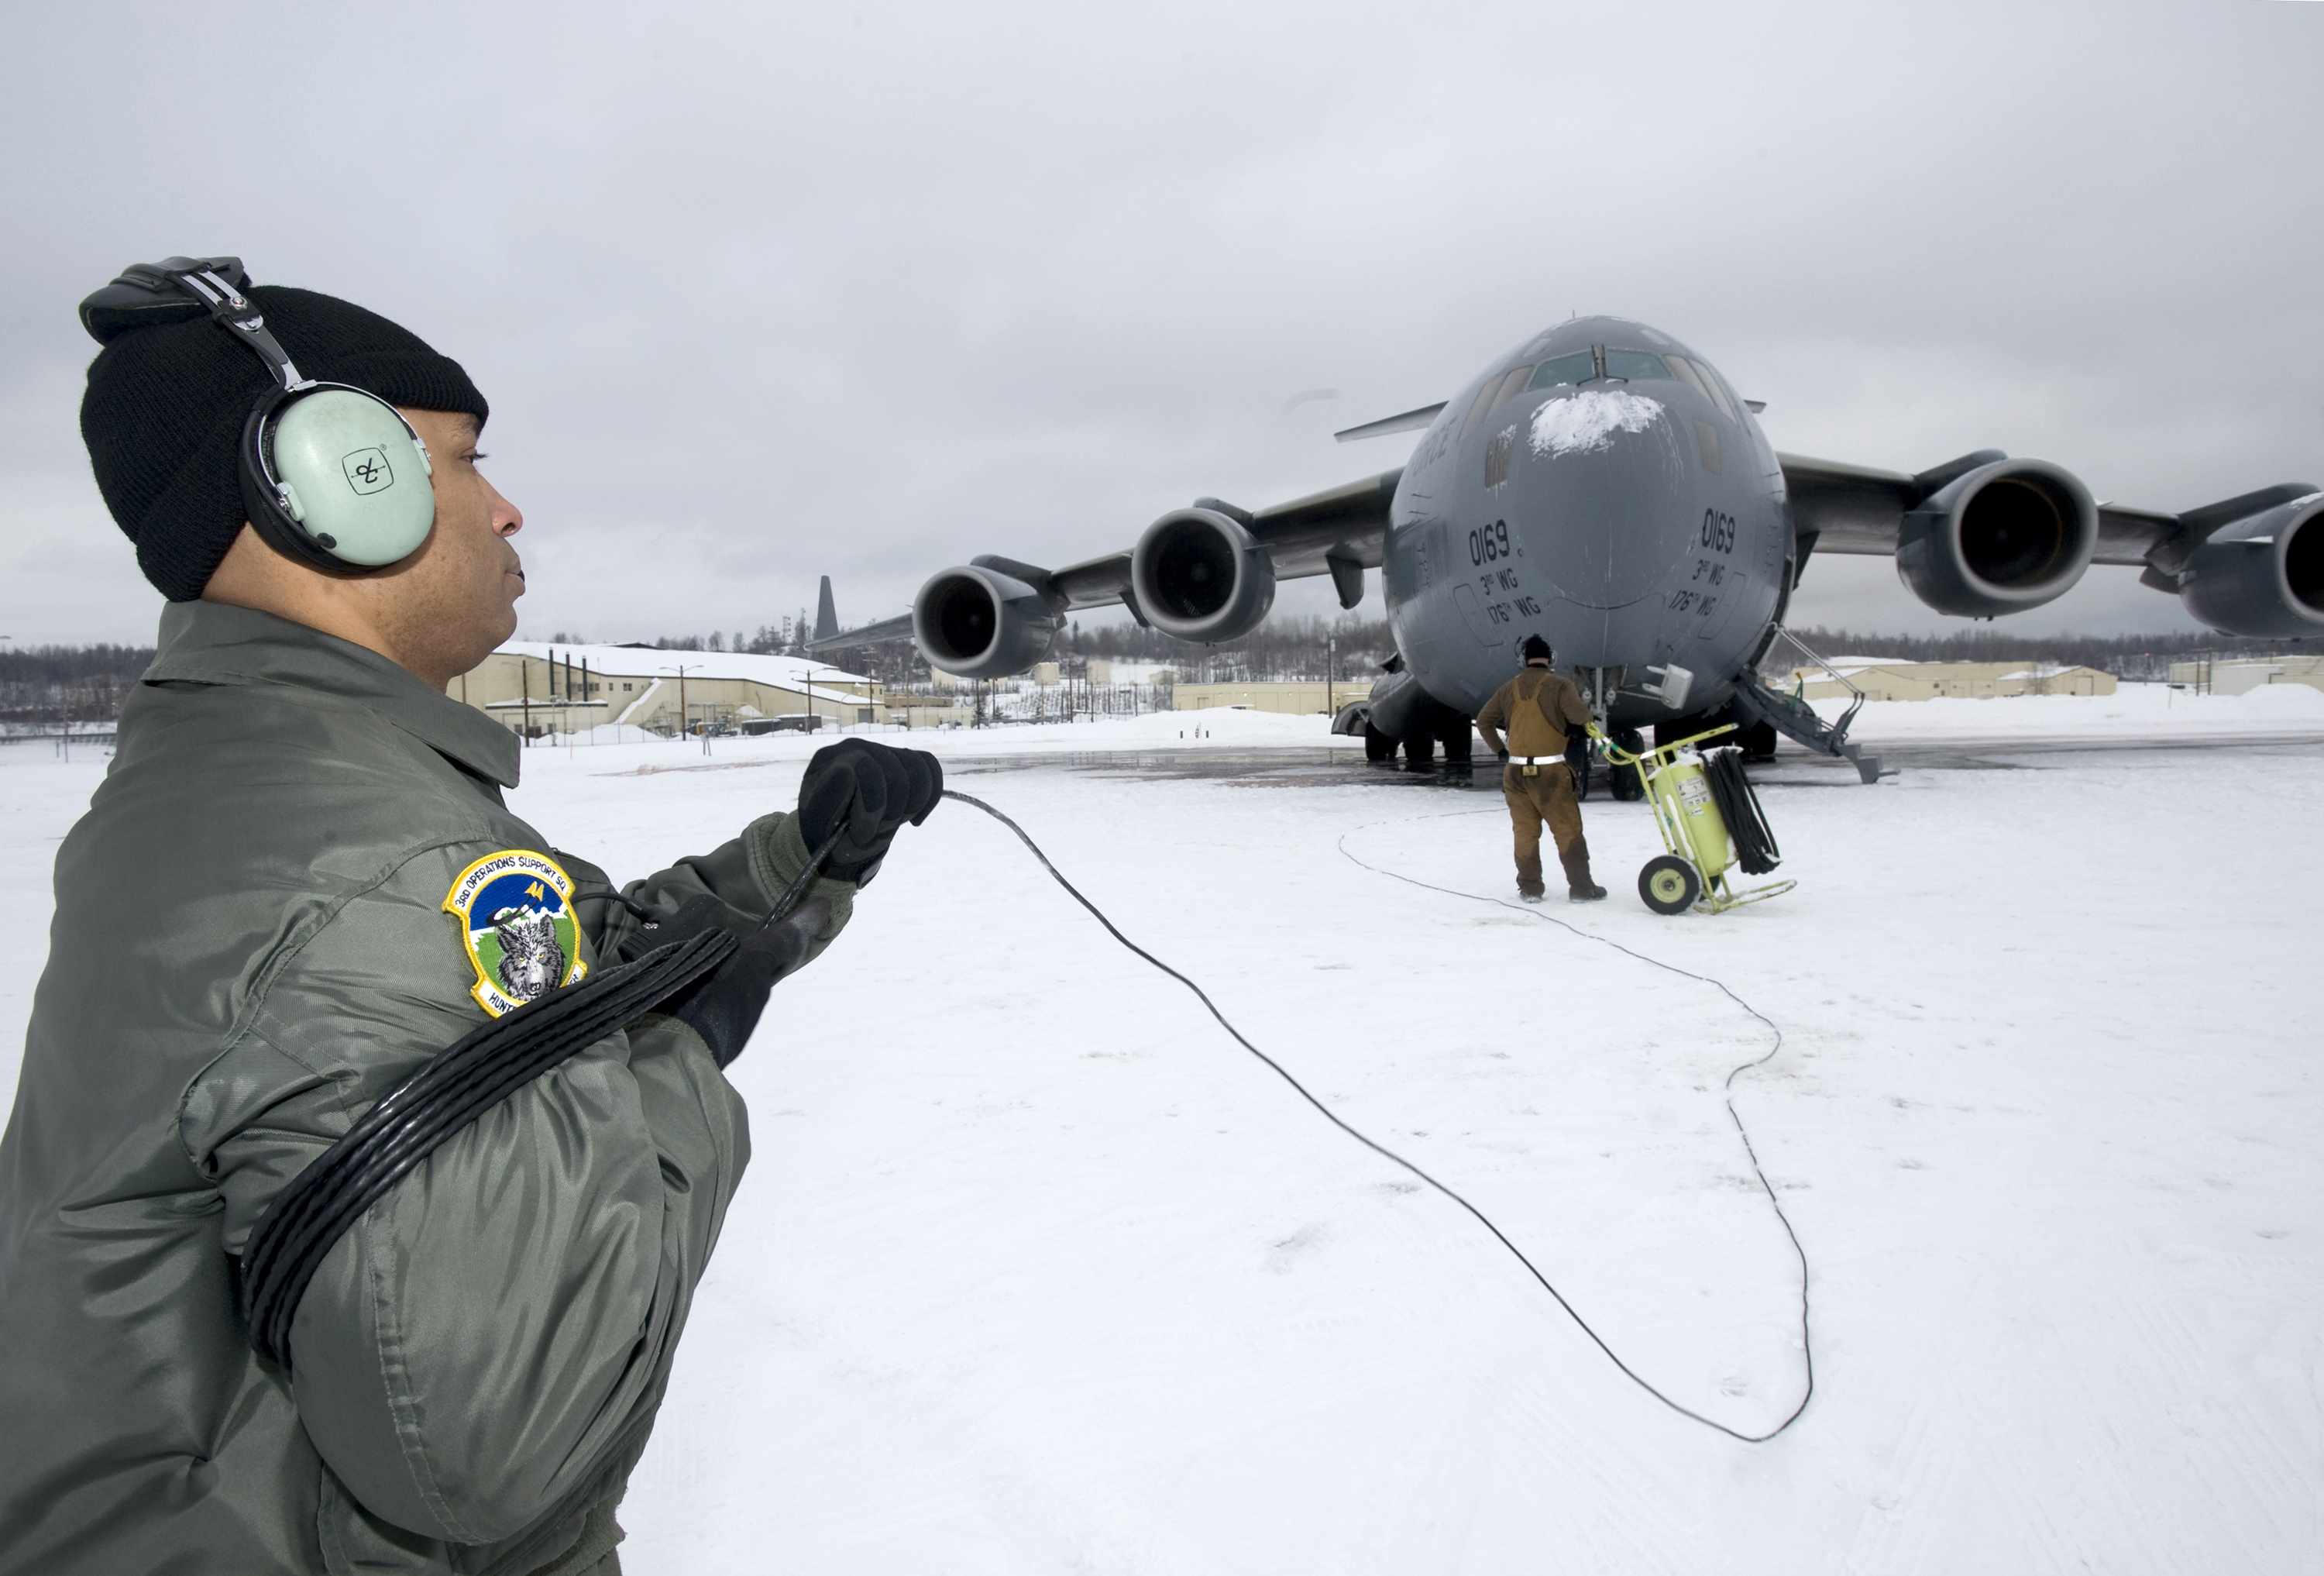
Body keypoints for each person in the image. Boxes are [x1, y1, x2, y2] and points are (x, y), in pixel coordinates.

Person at [0, 257, 942, 1574]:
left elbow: (533, 986)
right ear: (337, 482)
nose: (508, 509)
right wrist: (679, 1060)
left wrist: (797, 861)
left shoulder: (267, 782)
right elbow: (498, 1432)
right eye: (464, 460)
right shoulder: (362, 858)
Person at [1473, 634, 1606, 902]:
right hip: (1550, 774)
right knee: (1568, 830)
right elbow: (1579, 716)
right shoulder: (1560, 685)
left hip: (1515, 774)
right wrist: (1589, 718)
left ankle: (1530, 888)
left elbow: (1484, 721)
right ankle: (1581, 889)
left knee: (1525, 833)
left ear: (1524, 660)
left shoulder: (1508, 688)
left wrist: (1502, 751)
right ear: (1551, 659)